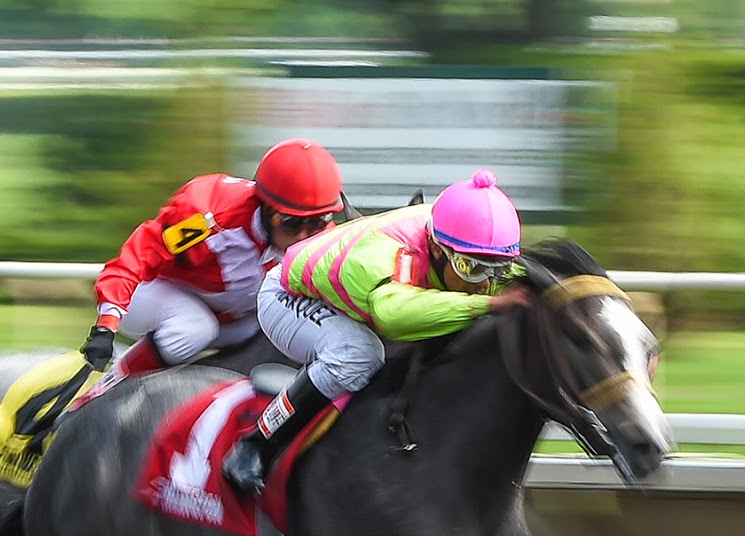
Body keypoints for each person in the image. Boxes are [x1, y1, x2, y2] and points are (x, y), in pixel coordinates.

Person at [222, 168, 532, 493]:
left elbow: (518, 277)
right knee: (360, 353)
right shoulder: (386, 257)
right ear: (438, 250)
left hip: (350, 302)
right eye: (471, 268)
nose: (485, 283)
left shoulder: (462, 235)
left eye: (497, 269)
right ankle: (254, 446)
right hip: (287, 296)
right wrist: (486, 306)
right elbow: (391, 315)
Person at [77, 139, 345, 390]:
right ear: (264, 207)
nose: (303, 236)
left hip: (231, 318)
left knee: (283, 329)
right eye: (290, 222)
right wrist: (106, 327)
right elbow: (134, 259)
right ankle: (104, 391)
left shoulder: (321, 237)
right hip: (150, 294)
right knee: (195, 328)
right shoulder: (206, 219)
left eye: (318, 222)